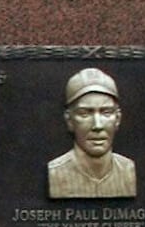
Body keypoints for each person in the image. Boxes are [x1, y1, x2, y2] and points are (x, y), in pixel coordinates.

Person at [47, 68, 137, 199]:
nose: (97, 125)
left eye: (106, 112)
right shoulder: (56, 172)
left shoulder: (127, 169)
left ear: (117, 119)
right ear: (69, 120)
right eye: (85, 113)